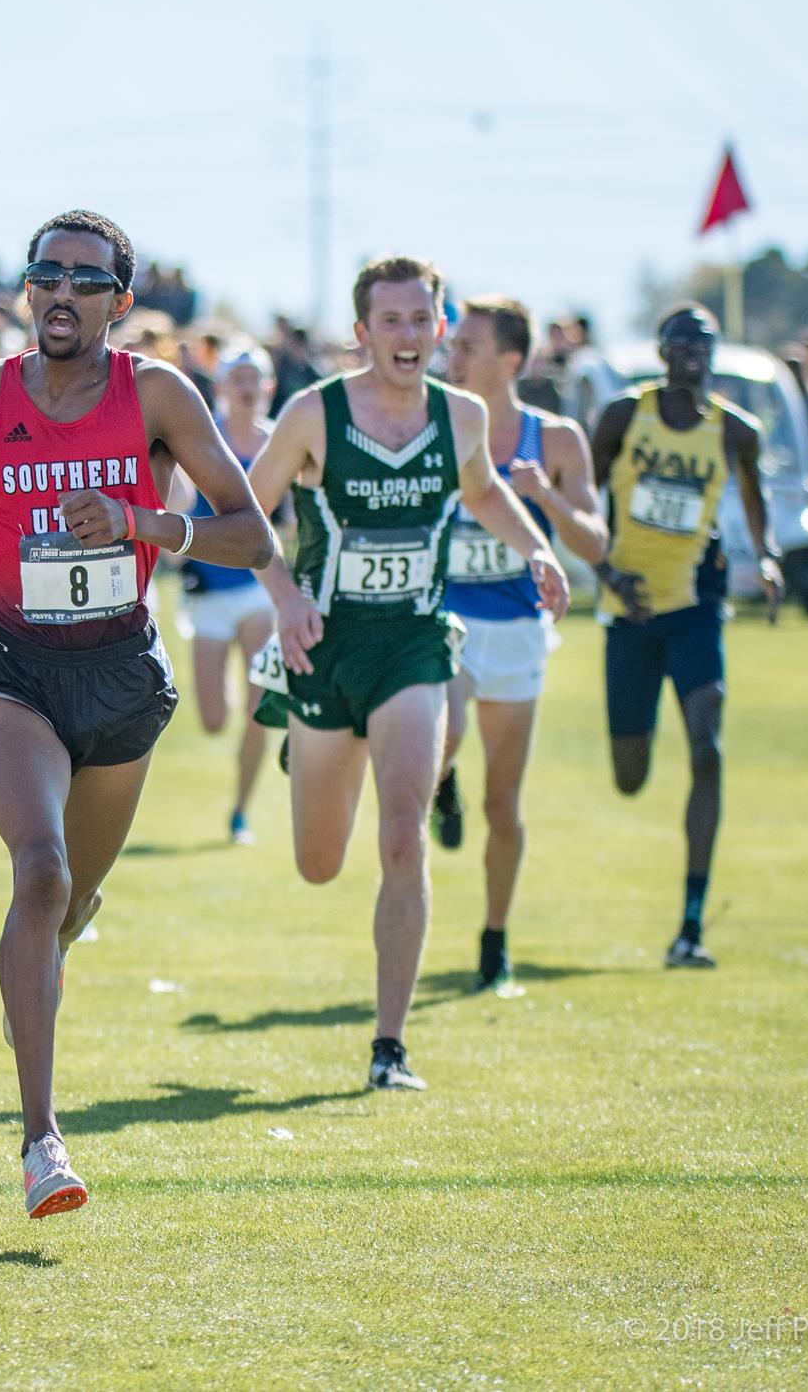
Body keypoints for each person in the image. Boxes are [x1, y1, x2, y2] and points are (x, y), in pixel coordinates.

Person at [0, 210, 272, 1219]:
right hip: (9, 663)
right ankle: (40, 1141)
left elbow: (252, 535)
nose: (60, 291)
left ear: (119, 301)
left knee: (65, 903)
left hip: (116, 673)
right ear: (26, 290)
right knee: (40, 869)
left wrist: (145, 519)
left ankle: (46, 950)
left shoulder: (156, 395)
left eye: (82, 279)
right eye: (44, 274)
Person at [246, 257, 569, 1093]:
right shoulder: (313, 414)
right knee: (319, 863)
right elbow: (245, 513)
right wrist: (284, 597)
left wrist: (536, 550)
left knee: (401, 832)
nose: (408, 336)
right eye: (390, 321)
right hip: (325, 646)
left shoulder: (458, 416)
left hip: (415, 644)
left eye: (422, 319)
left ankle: (389, 1047)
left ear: (440, 327)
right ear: (361, 333)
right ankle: (308, 748)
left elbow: (487, 492)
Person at [589, 303, 781, 969]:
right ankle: (637, 747)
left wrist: (769, 555)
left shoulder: (735, 431)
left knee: (709, 749)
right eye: (681, 342)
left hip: (697, 605)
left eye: (705, 343)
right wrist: (604, 569)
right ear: (662, 351)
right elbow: (585, 505)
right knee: (629, 776)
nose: (693, 354)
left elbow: (754, 498)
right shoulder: (622, 417)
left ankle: (691, 923)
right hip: (630, 611)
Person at [432, 297, 607, 995]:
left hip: (516, 629)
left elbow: (597, 544)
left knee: (503, 805)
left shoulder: (556, 439)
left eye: (470, 346)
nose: (455, 357)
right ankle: (440, 781)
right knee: (435, 737)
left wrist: (547, 501)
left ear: (512, 360)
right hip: (444, 617)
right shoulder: (430, 425)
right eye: (456, 345)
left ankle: (495, 938)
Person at [176, 345, 279, 844]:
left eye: (253, 377)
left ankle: (241, 812)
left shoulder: (281, 444)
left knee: (260, 710)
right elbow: (175, 510)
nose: (245, 386)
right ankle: (229, 686)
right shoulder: (200, 441)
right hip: (208, 596)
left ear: (269, 386)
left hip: (261, 592)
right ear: (221, 388)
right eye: (235, 377)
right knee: (215, 720)